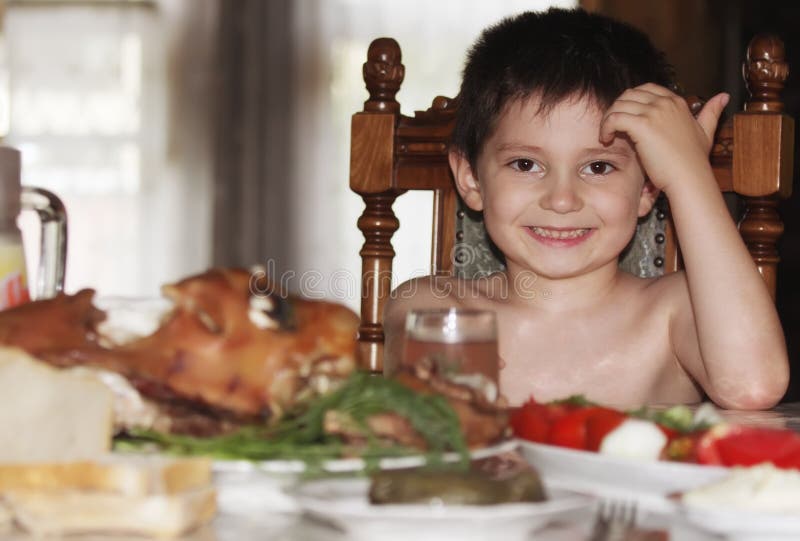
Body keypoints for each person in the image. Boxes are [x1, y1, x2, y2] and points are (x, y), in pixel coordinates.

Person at [384, 8, 789, 409]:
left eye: (598, 167)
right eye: (525, 164)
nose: (562, 200)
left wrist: (689, 174)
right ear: (472, 179)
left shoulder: (676, 313)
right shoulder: (435, 309)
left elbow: (752, 387)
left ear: (649, 186)